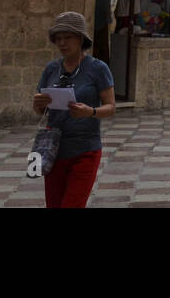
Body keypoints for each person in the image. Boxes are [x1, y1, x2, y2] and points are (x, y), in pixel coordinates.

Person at [33, 12, 115, 208]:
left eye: (67, 37)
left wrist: (91, 112)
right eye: (58, 38)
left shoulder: (98, 68)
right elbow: (39, 111)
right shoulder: (51, 69)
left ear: (80, 39)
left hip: (85, 150)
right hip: (53, 150)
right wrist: (39, 105)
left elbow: (111, 107)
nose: (62, 43)